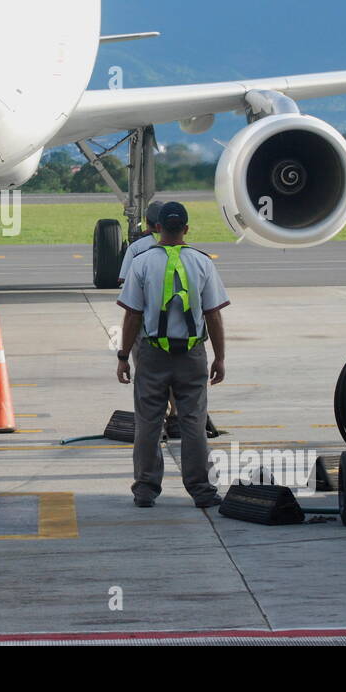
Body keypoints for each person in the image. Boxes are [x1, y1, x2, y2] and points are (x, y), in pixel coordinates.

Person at [115, 201, 229, 509]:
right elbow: (214, 315)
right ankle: (202, 490)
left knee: (148, 422)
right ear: (187, 229)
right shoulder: (203, 262)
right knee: (193, 422)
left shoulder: (142, 261)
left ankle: (145, 489)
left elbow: (132, 316)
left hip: (152, 353)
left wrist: (124, 355)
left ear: (156, 228)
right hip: (192, 354)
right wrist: (219, 357)